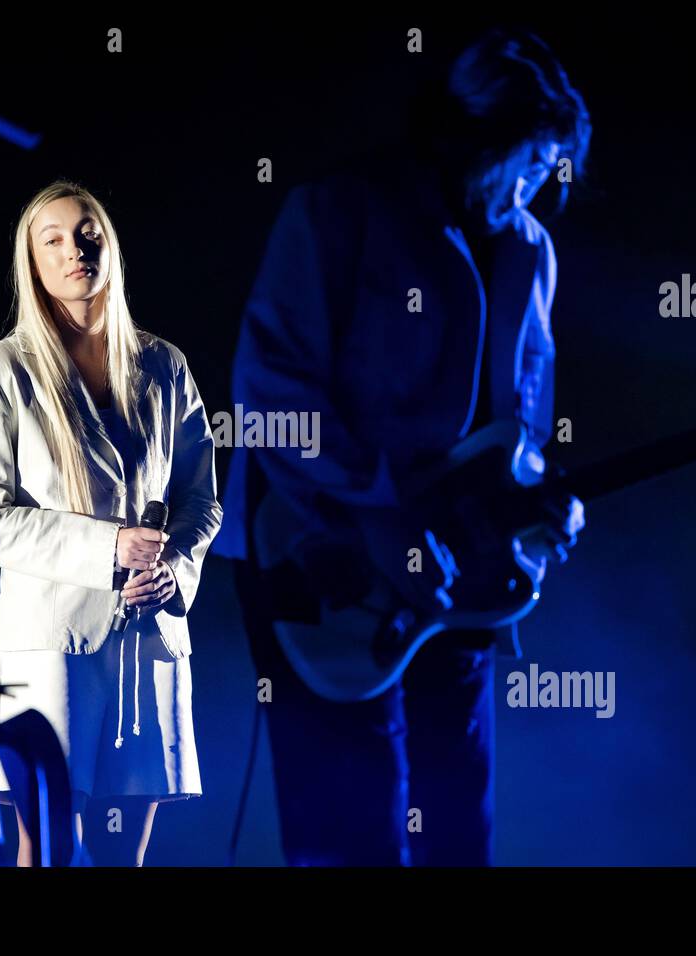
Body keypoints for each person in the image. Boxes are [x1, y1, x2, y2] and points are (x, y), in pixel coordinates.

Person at [214, 28, 591, 865]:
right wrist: (375, 511)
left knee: (459, 824)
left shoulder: (530, 250)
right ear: (470, 136)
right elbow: (271, 393)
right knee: (352, 831)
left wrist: (538, 498)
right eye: (524, 161)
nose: (533, 187)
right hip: (320, 548)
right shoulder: (338, 212)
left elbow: (516, 427)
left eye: (545, 168)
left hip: (457, 567)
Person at [0, 181, 222, 866]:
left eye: (87, 232)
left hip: (148, 635)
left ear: (110, 244)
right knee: (46, 848)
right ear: (33, 263)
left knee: (126, 855)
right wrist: (110, 549)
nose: (75, 248)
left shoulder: (164, 365)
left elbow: (202, 500)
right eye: (54, 239)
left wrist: (174, 567)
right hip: (49, 640)